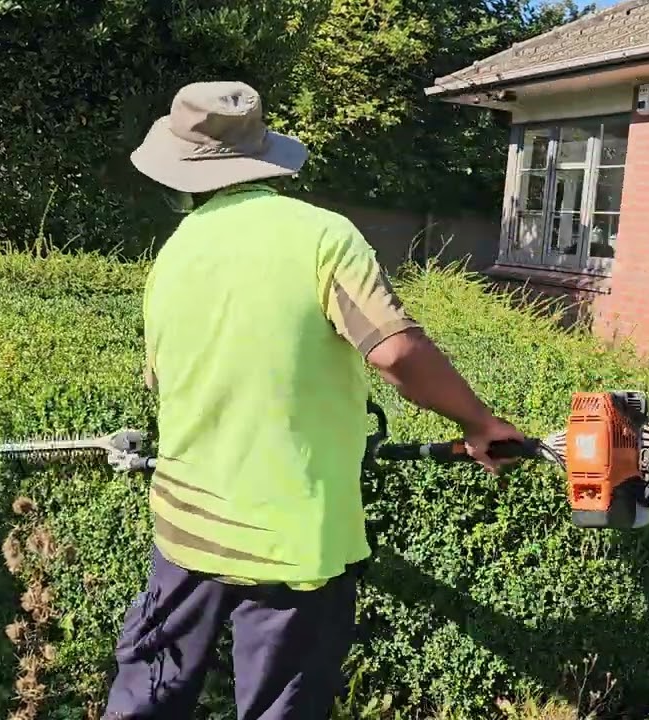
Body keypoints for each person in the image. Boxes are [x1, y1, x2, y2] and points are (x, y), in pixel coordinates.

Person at [101, 80, 525, 720]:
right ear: (263, 158)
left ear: (181, 172)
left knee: (144, 700)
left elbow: (163, 382)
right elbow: (394, 351)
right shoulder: (323, 236)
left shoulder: (174, 252)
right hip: (289, 543)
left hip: (183, 526)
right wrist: (479, 422)